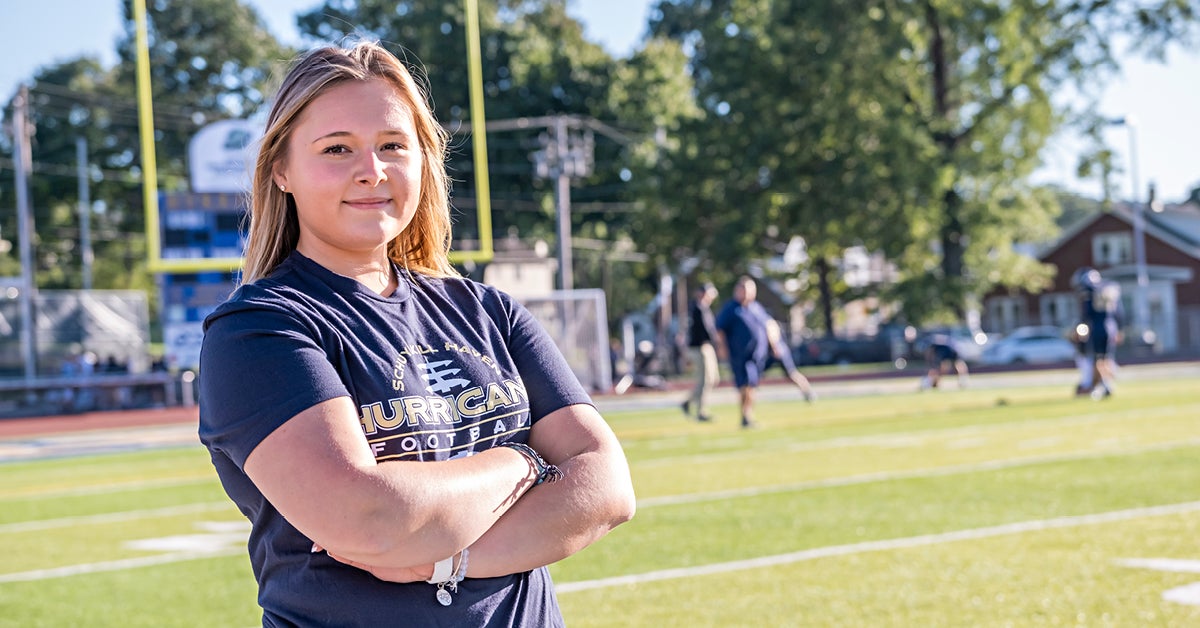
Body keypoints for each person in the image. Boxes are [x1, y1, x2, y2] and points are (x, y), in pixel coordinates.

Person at [197, 42, 635, 627]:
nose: (371, 170)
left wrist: (447, 560)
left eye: (392, 146)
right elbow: (370, 520)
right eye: (336, 149)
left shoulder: (488, 311)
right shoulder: (258, 330)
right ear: (282, 170)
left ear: (422, 160)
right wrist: (525, 462)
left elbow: (607, 486)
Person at [715, 276, 773, 428]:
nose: (747, 293)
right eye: (744, 290)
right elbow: (719, 330)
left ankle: (748, 415)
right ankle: (746, 415)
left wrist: (773, 345)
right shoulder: (731, 309)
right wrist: (722, 348)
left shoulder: (756, 307)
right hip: (740, 354)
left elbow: (768, 325)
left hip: (757, 354)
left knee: (752, 385)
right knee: (745, 384)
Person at [1072, 266, 1123, 399]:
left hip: (1097, 328)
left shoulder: (1089, 292)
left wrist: (1079, 329)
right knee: (1106, 359)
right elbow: (1118, 313)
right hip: (1111, 327)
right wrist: (1119, 330)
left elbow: (1086, 315)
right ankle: (1106, 385)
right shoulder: (1108, 288)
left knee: (1096, 360)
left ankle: (1098, 386)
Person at [680, 282, 720, 422]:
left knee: (713, 379)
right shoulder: (697, 308)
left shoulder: (703, 308)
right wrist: (717, 340)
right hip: (700, 347)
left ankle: (688, 402)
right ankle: (701, 411)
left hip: (706, 347)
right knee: (705, 381)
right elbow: (705, 331)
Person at [764, 318, 816, 402]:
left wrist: (774, 347)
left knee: (792, 373)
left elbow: (772, 331)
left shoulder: (766, 320)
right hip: (773, 351)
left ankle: (808, 391)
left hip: (779, 351)